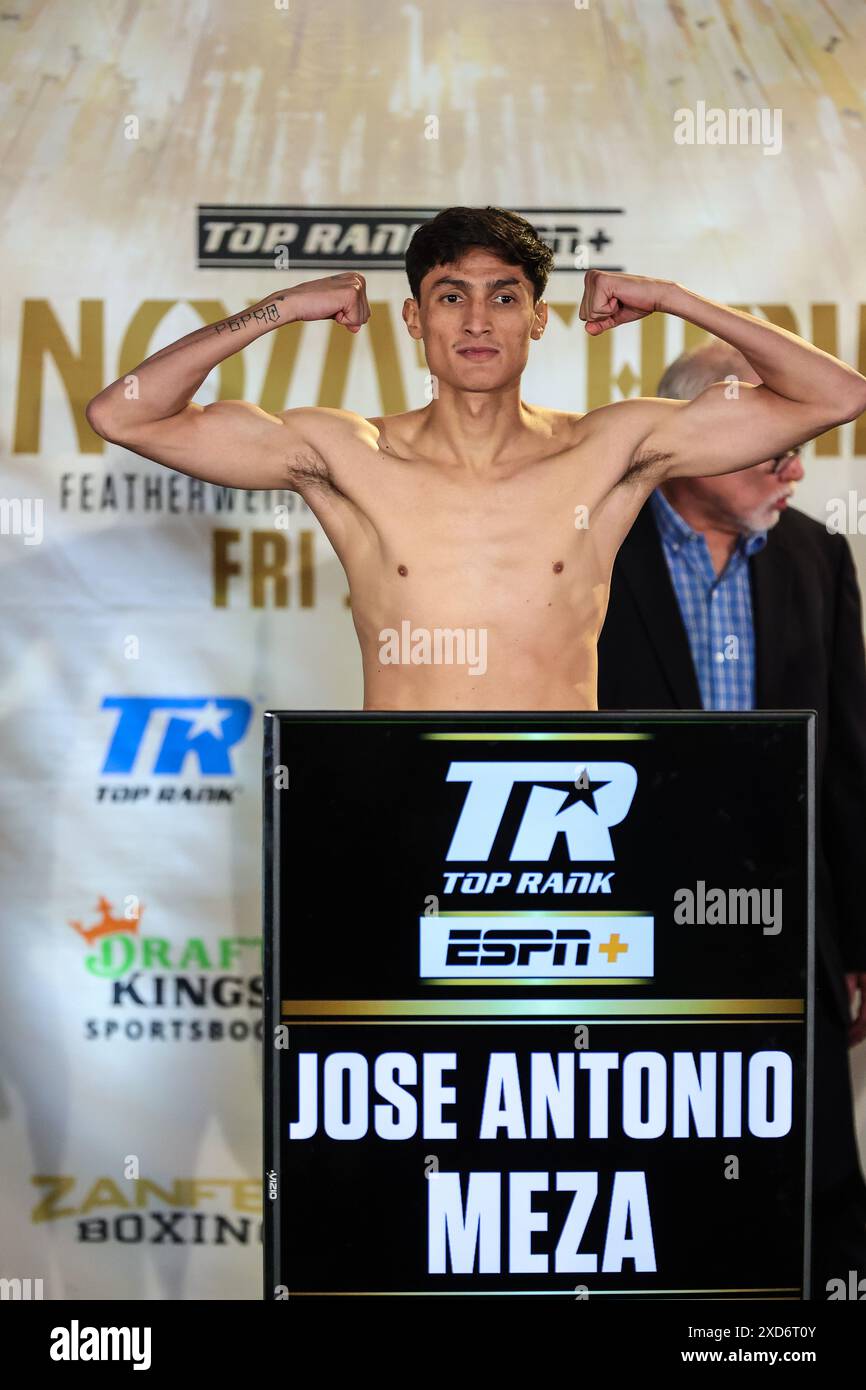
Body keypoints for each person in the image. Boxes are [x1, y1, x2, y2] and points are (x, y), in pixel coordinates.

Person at [85, 206, 866, 711]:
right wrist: (281, 306)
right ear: (415, 319)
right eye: (451, 295)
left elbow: (832, 396)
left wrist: (670, 297)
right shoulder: (347, 452)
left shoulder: (607, 447)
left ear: (538, 318)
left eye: (504, 295)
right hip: (401, 786)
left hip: (565, 803)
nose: (478, 319)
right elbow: (125, 412)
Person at [596, 338, 866, 1299]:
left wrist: (855, 948)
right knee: (653, 1202)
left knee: (815, 1202)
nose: (796, 466)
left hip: (790, 941)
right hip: (633, 952)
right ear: (694, 441)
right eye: (771, 446)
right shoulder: (587, 549)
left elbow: (846, 767)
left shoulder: (817, 556)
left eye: (799, 445)